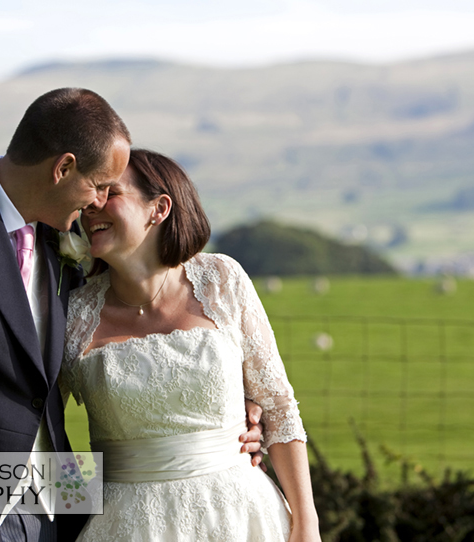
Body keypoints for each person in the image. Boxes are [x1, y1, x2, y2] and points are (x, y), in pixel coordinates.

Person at [0, 88, 265, 542]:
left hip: (54, 515)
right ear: (62, 168)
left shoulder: (57, 241)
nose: (99, 201)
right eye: (98, 184)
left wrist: (222, 417)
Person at [61, 149, 320, 541]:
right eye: (91, 195)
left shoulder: (222, 279)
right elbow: (34, 434)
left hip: (243, 519)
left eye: (109, 192)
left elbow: (279, 409)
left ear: (159, 208)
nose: (92, 206)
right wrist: (92, 484)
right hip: (126, 527)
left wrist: (307, 525)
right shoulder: (75, 314)